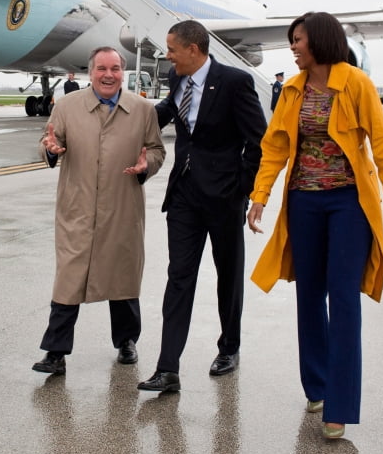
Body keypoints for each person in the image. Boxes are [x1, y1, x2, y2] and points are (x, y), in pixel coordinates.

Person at [245, 11, 383, 440]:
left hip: (348, 203)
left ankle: (340, 405)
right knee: (309, 294)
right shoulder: (292, 89)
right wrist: (260, 196)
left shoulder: (355, 83)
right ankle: (316, 386)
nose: (293, 46)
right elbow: (275, 147)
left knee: (344, 299)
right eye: (291, 40)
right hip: (303, 203)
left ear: (319, 41)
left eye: (298, 39)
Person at [137, 20, 267, 394]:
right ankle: (167, 369)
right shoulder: (179, 80)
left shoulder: (234, 82)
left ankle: (230, 347)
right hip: (184, 196)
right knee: (179, 276)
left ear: (193, 50)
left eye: (172, 49)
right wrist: (117, 112)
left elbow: (257, 141)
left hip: (224, 198)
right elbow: (162, 113)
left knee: (228, 275)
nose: (167, 55)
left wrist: (241, 188)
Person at [31, 47, 165, 375]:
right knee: (69, 278)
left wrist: (149, 164)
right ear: (91, 72)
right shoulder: (66, 106)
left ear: (123, 72)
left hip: (122, 206)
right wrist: (49, 149)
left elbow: (158, 149)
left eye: (116, 68)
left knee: (122, 276)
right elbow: (47, 141)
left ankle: (126, 341)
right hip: (77, 207)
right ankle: (55, 352)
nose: (109, 74)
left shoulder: (142, 109)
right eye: (102, 68)